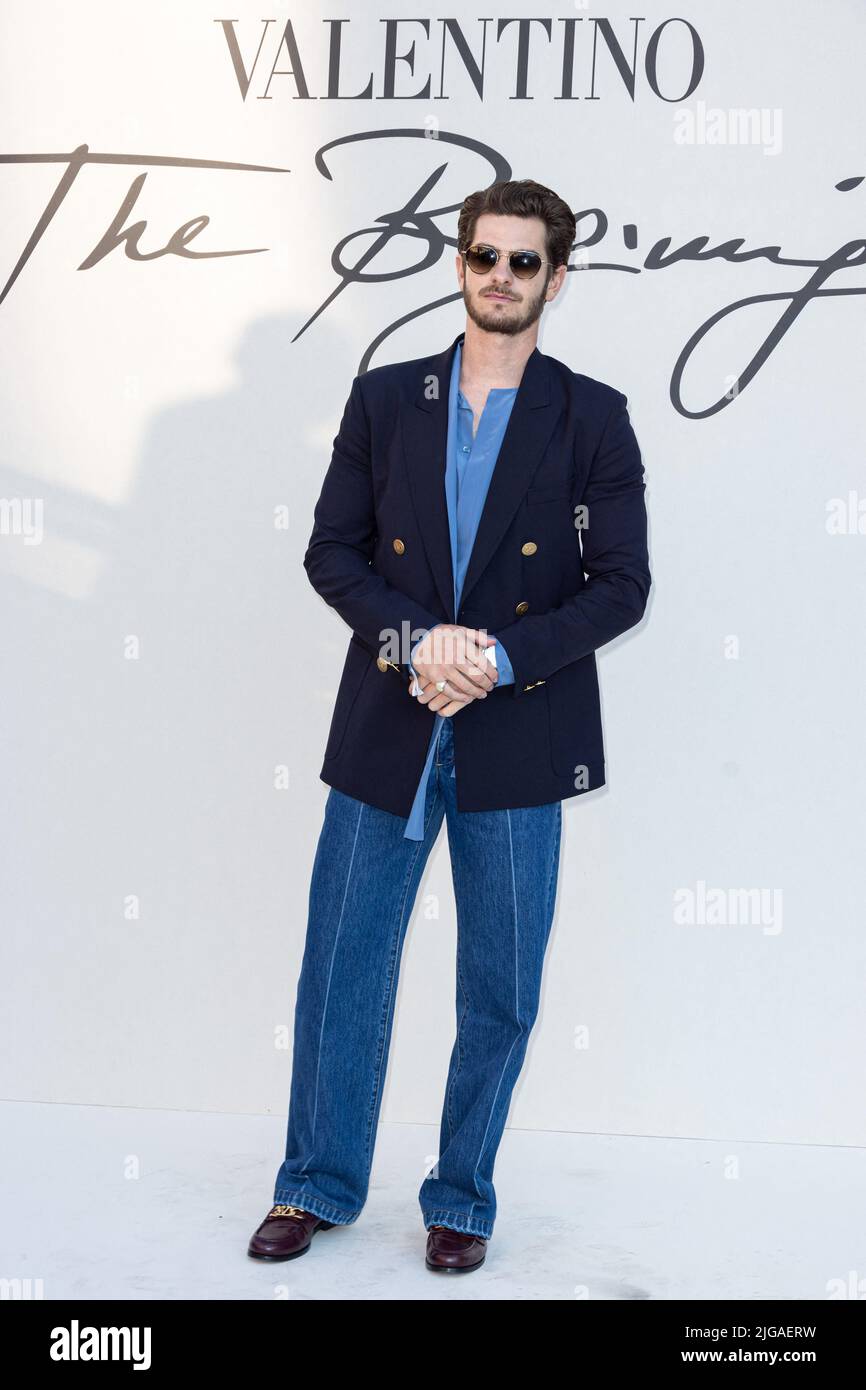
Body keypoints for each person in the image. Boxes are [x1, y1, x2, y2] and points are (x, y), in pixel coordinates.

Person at [248, 178, 651, 1274]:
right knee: (340, 966)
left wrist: (496, 660)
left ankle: (459, 1198)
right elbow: (331, 552)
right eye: (484, 256)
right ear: (459, 263)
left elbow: (621, 587)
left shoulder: (593, 415)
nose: (500, 277)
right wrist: (414, 643)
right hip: (389, 717)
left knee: (501, 984)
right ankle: (315, 1185)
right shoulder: (384, 400)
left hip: (518, 731)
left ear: (554, 279)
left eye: (524, 262)